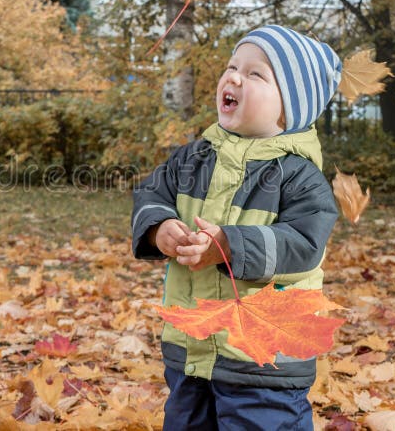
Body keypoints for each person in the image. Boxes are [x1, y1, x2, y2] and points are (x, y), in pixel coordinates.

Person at [131, 25, 341, 430]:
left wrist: (228, 245)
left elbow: (303, 245)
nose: (233, 77)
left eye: (256, 74)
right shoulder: (193, 158)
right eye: (232, 67)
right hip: (191, 347)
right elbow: (151, 193)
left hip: (263, 361)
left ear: (288, 110)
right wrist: (160, 227)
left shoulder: (299, 176)